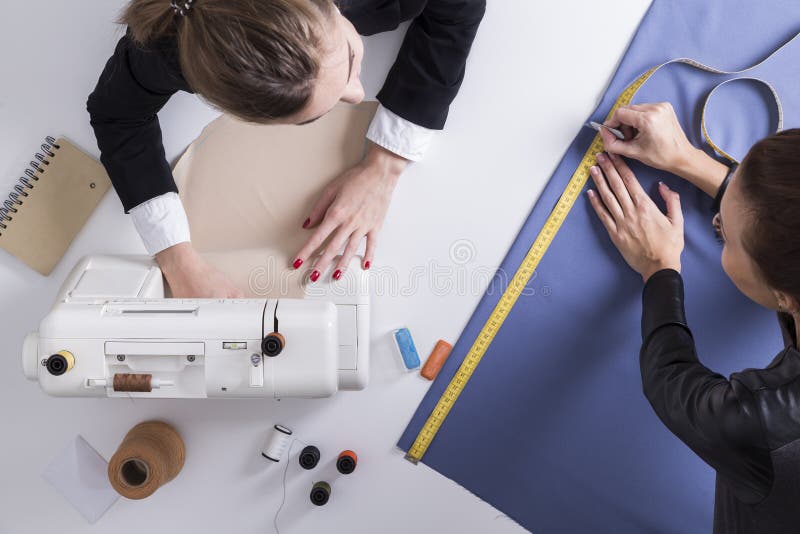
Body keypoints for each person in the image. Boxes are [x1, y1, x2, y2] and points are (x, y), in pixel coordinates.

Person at [87, 0, 485, 297]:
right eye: (309, 118)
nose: (359, 93)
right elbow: (117, 115)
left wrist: (386, 165)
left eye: (348, 58)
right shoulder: (169, 50)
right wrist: (177, 258)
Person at [587, 102, 800, 533]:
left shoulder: (762, 424)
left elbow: (670, 377)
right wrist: (686, 159)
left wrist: (658, 267)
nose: (716, 223)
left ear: (784, 296)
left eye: (727, 239)